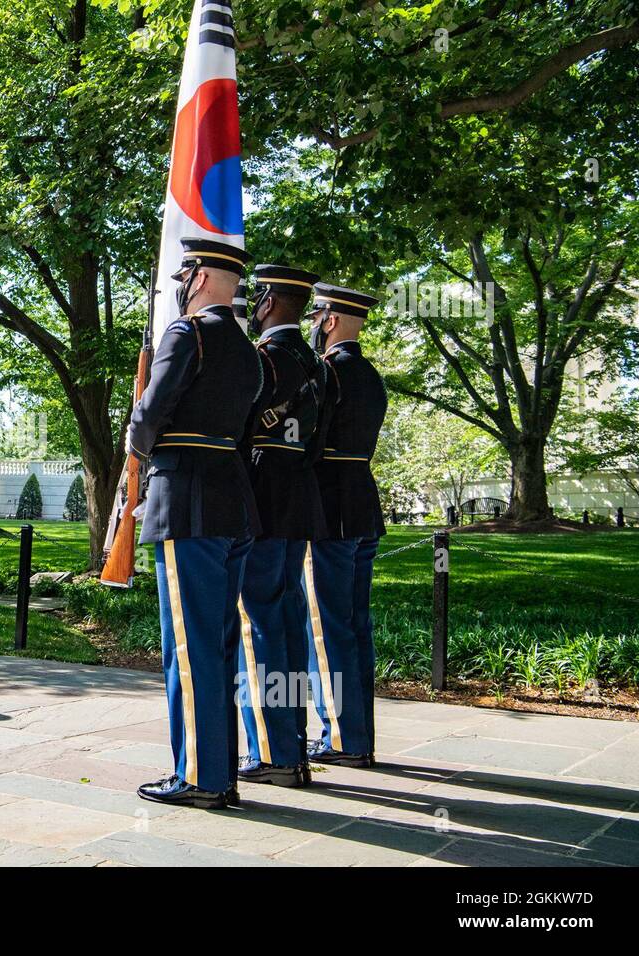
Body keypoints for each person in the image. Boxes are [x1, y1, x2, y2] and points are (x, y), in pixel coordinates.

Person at [128, 238, 262, 810]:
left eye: (186, 275)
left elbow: (150, 414)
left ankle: (203, 778)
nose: (181, 285)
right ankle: (219, 771)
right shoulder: (250, 351)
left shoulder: (188, 334)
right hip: (233, 499)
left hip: (185, 497)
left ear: (203, 276)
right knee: (219, 643)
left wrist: (141, 453)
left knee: (189, 647)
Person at [235, 264, 327, 788]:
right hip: (299, 496)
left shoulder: (262, 360)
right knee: (288, 621)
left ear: (268, 302)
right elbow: (316, 441)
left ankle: (273, 752)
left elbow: (239, 427)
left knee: (260, 622)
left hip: (262, 497)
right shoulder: (317, 365)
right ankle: (291, 742)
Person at [303, 284, 388, 768]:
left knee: (328, 628)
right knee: (356, 626)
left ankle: (341, 737)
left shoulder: (325, 374)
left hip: (329, 511)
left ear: (329, 320)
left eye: (316, 317)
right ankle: (358, 733)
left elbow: (311, 443)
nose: (313, 324)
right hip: (362, 505)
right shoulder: (371, 376)